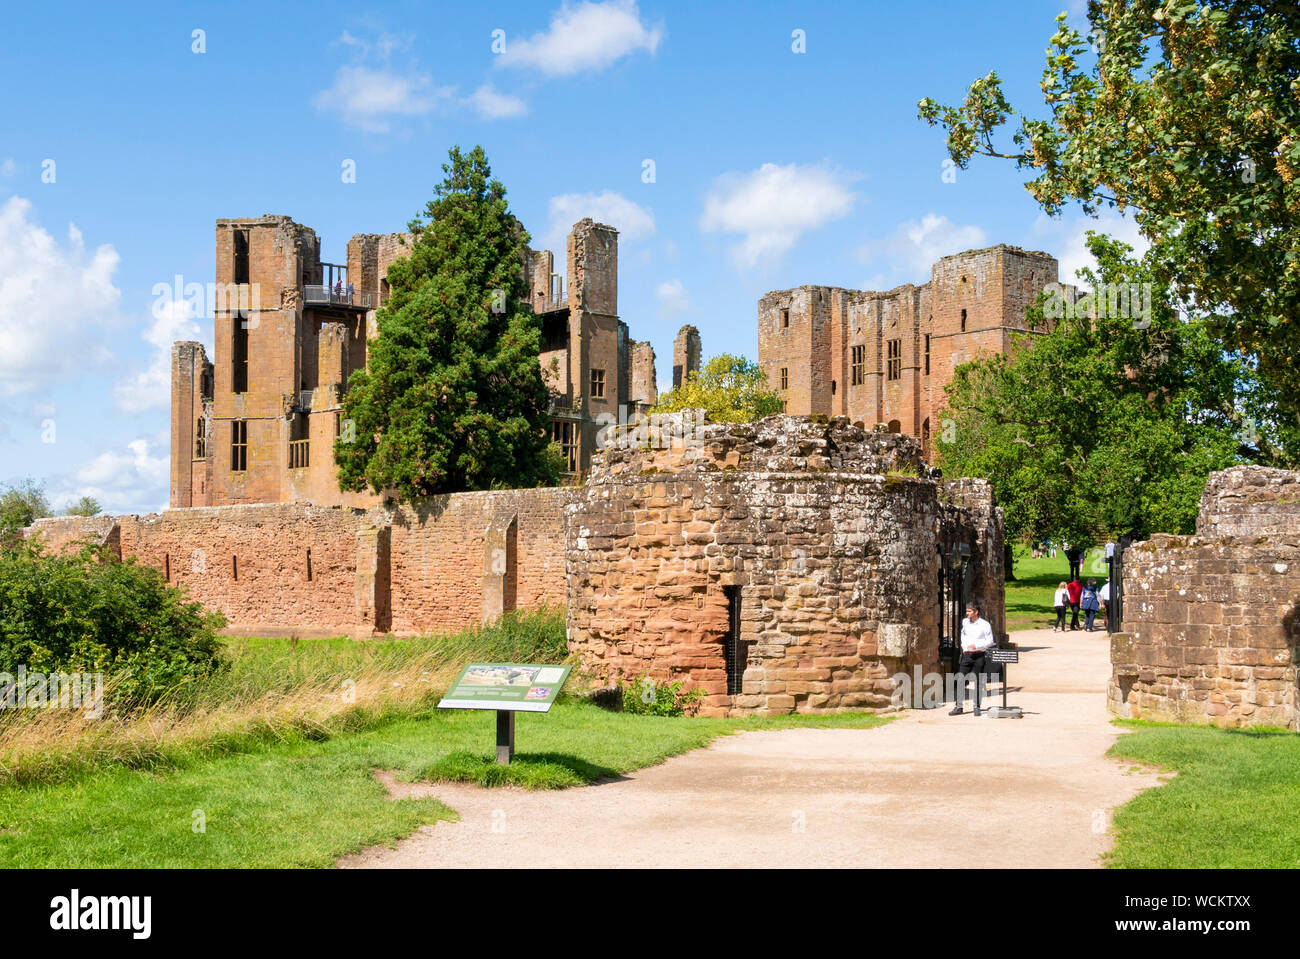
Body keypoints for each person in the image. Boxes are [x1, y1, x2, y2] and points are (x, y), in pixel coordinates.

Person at [949, 602, 995, 716]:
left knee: (979, 681)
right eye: (967, 611)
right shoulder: (965, 622)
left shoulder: (985, 625)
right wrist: (964, 647)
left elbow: (990, 641)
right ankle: (959, 706)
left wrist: (976, 646)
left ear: (976, 612)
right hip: (967, 655)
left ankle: (977, 707)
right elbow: (963, 635)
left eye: (969, 611)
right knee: (961, 680)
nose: (967, 613)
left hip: (979, 655)